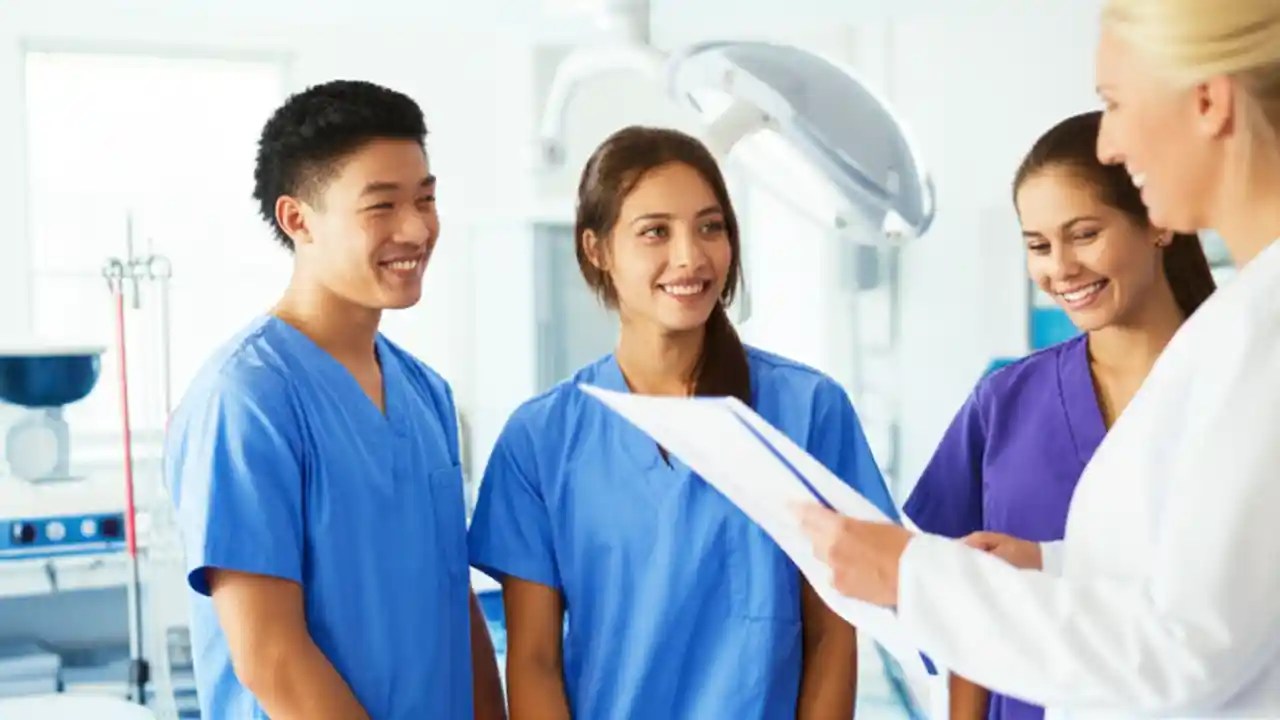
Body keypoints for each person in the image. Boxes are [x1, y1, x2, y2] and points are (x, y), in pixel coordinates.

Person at [798, 0, 1280, 716]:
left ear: (1208, 101)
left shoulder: (1257, 342)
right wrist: (1046, 566)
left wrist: (914, 577)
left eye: (1113, 103)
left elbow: (1186, 652)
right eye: (1038, 243)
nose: (1109, 143)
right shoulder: (1236, 332)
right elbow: (1219, 589)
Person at [467, 126, 900, 719]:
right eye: (655, 232)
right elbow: (534, 659)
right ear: (597, 250)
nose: (690, 257)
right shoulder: (542, 440)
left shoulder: (807, 411)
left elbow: (833, 634)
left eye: (710, 226)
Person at [163, 80, 504, 720]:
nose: (417, 228)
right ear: (299, 219)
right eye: (382, 206)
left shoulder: (426, 394)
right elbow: (272, 660)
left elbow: (453, 602)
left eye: (426, 200)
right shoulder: (247, 398)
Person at [902, 109, 1216, 720]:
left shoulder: (1238, 382)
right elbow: (963, 607)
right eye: (1039, 245)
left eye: (1084, 234)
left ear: (1156, 223)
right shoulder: (1004, 403)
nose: (1060, 268)